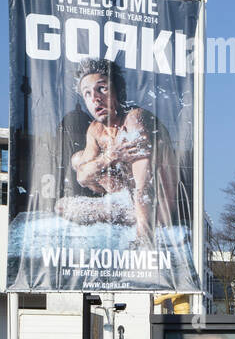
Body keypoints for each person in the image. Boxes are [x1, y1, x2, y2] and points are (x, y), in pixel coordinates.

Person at [54, 58, 181, 245]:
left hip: (155, 207)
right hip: (124, 204)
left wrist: (143, 236)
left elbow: (143, 186)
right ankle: (124, 212)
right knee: (70, 184)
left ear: (118, 91)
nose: (95, 98)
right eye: (87, 93)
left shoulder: (134, 119)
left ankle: (141, 225)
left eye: (102, 88)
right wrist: (110, 157)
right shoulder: (97, 129)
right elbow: (82, 176)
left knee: (96, 164)